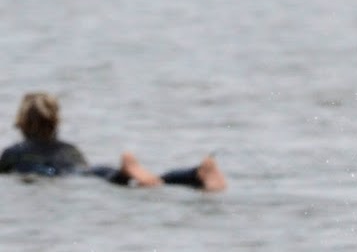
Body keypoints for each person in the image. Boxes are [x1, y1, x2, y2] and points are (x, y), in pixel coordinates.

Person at [0, 92, 227, 191]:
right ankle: (195, 174)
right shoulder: (70, 149)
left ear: (20, 123)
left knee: (125, 184)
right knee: (127, 179)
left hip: (65, 175)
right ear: (55, 121)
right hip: (90, 170)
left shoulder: (14, 153)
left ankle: (126, 172)